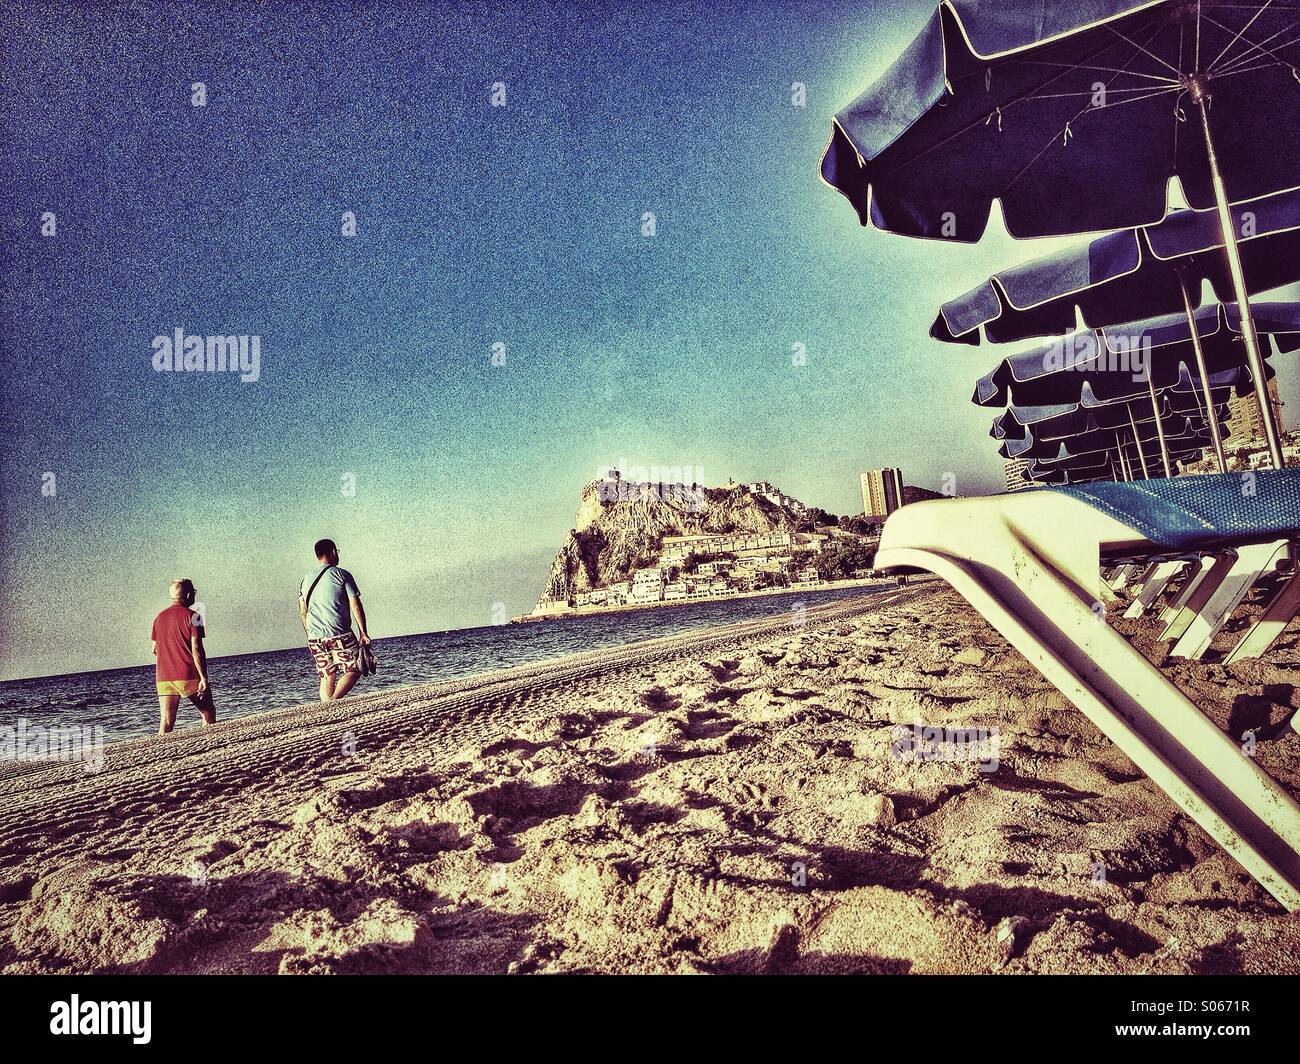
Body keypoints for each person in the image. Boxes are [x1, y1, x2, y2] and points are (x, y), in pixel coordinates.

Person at [299, 538, 371, 701]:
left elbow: (303, 613)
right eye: (336, 552)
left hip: (314, 637)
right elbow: (356, 605)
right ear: (332, 552)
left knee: (327, 675)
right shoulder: (342, 575)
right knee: (355, 669)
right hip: (339, 633)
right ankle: (333, 703)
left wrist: (310, 635)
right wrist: (363, 633)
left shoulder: (304, 580)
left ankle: (326, 708)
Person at [151, 578, 216, 734]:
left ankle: (161, 752)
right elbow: (197, 649)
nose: (194, 595)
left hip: (163, 677)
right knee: (208, 712)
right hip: (187, 674)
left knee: (166, 721)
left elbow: (154, 649)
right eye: (193, 592)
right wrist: (203, 677)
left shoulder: (158, 618)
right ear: (187, 595)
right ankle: (209, 743)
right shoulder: (195, 617)